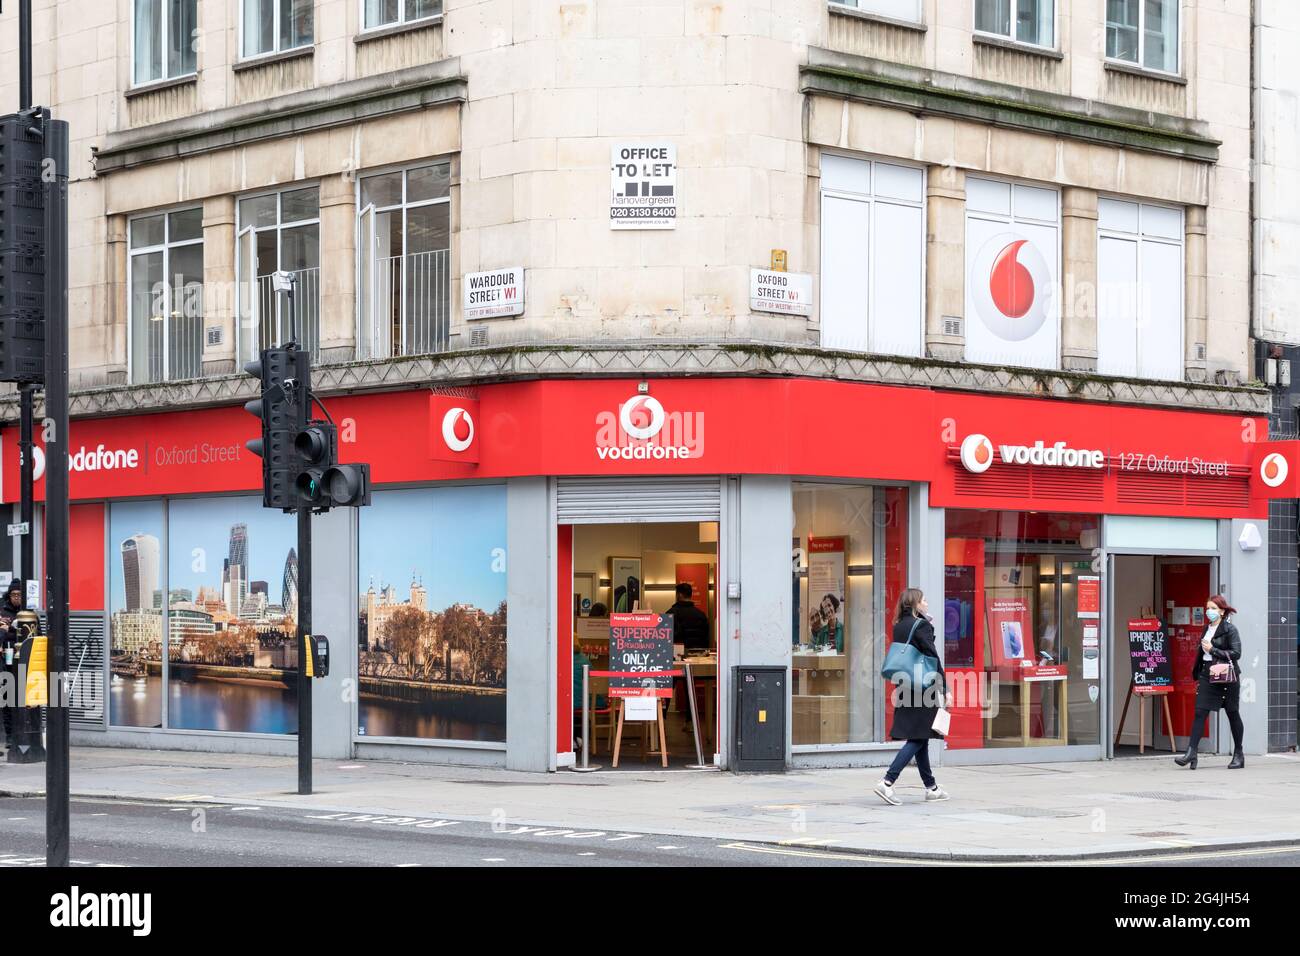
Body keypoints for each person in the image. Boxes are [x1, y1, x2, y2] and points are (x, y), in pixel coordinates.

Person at [875, 587, 951, 805]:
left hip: (905, 685)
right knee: (919, 737)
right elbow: (933, 658)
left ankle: (932, 787)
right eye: (924, 601)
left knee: (920, 737)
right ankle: (888, 782)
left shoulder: (900, 625)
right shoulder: (922, 625)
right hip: (923, 688)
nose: (927, 603)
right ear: (916, 604)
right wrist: (945, 688)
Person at [1175, 594, 1244, 770]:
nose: (1209, 612)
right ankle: (1191, 753)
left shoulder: (1230, 629)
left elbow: (1236, 653)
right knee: (1200, 712)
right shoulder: (1206, 628)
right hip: (1207, 675)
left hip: (1226, 675)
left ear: (1221, 611)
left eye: (1213, 608)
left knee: (1232, 713)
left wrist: (1213, 650)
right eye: (1208, 608)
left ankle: (1238, 753)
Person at [666, 583, 710, 653]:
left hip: (678, 655)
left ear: (679, 595)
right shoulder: (701, 615)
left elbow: (667, 638)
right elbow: (706, 638)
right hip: (698, 654)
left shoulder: (671, 614)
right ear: (690, 595)